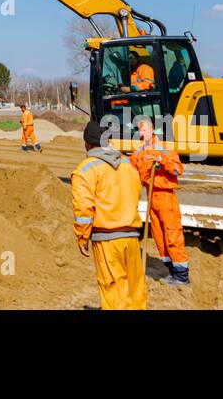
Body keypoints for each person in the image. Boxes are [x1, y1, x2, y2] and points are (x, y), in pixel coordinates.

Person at [71, 118, 147, 310]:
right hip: (131, 237)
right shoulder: (127, 164)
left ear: (87, 144)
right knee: (135, 290)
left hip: (107, 240)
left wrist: (82, 237)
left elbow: (83, 211)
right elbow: (135, 193)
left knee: (113, 292)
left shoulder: (85, 170)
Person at [130, 117, 189, 285]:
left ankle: (182, 277)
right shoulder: (139, 152)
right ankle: (171, 272)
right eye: (140, 130)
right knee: (159, 237)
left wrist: (163, 161)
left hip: (165, 197)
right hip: (150, 198)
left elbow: (178, 170)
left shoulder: (164, 148)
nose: (142, 133)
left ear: (152, 130)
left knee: (172, 235)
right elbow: (130, 167)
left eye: (145, 130)